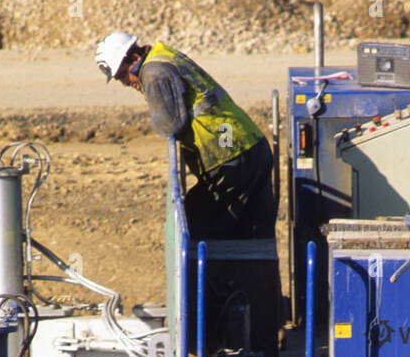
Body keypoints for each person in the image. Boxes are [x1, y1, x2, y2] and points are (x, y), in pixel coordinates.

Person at [95, 32, 277, 241]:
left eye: (122, 75)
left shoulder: (154, 72)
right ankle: (245, 273)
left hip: (230, 154)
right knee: (251, 233)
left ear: (135, 59)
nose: (125, 83)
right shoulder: (162, 55)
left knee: (195, 225)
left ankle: (212, 273)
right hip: (247, 146)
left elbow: (169, 124)